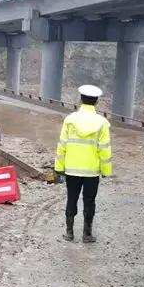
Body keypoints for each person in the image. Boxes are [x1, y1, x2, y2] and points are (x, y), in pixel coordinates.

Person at [54, 85, 112, 242]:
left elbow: (62, 146)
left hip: (72, 170)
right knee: (90, 201)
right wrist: (106, 170)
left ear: (81, 99)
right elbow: (104, 150)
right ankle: (87, 234)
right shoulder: (102, 123)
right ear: (97, 102)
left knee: (71, 199)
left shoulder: (70, 120)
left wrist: (59, 168)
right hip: (91, 172)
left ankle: (69, 233)